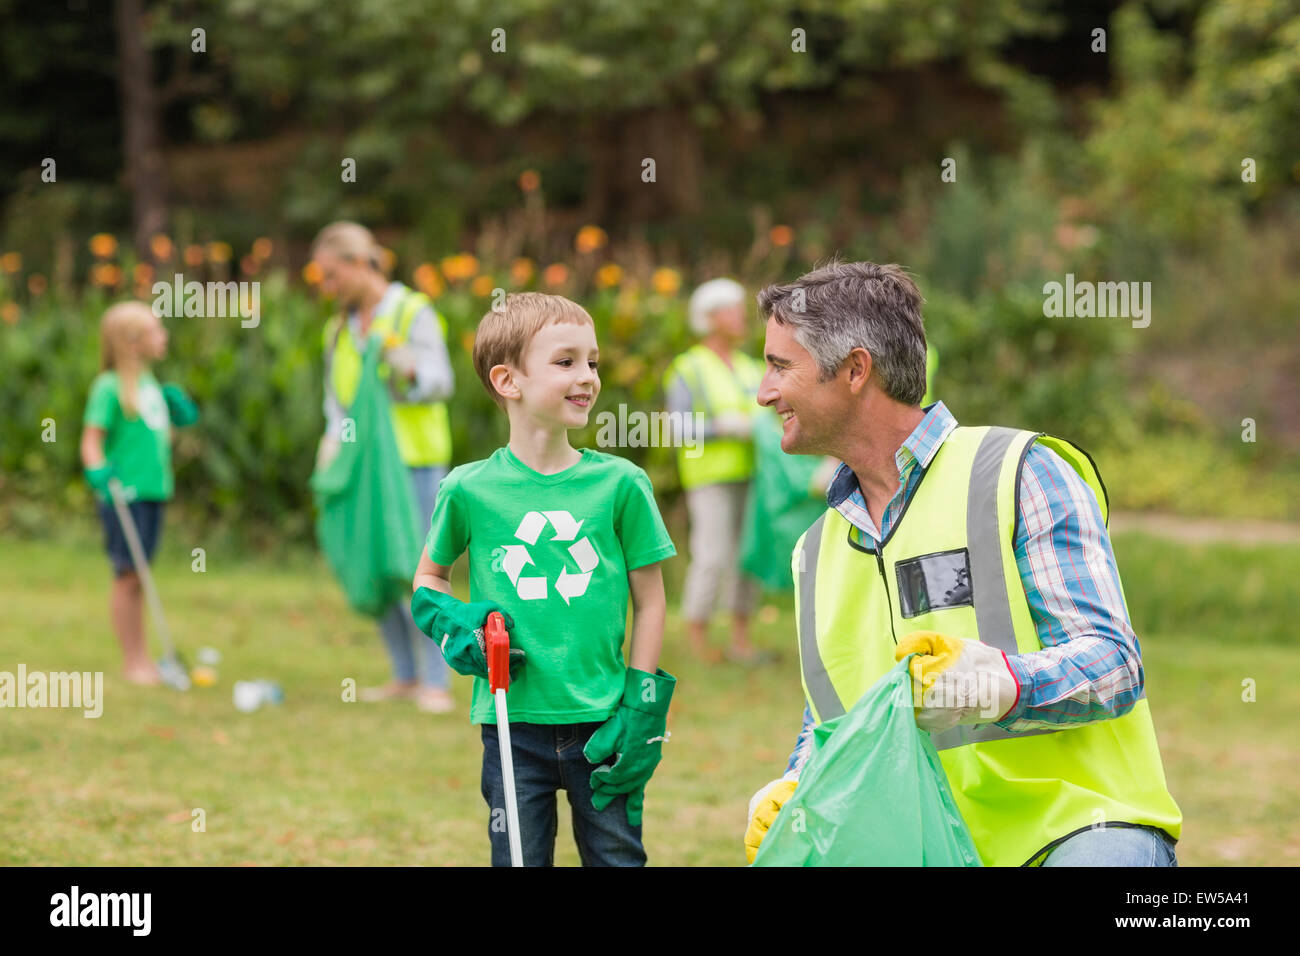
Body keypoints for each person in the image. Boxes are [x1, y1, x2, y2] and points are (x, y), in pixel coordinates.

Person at [743, 260, 1182, 867]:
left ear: (854, 370)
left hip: (1076, 829)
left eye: (778, 366)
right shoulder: (814, 552)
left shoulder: (1018, 472)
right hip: (920, 850)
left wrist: (1000, 685)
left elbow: (1114, 664)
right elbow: (833, 723)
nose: (762, 392)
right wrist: (795, 783)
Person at [410, 292, 677, 866]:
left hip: (605, 722)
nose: (587, 377)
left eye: (593, 362)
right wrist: (454, 621)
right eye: (566, 362)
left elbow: (651, 603)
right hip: (511, 726)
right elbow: (429, 579)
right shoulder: (468, 489)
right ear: (508, 381)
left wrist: (642, 704)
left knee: (617, 858)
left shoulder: (621, 485)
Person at [311, 222, 457, 713]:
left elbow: (442, 381)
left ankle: (436, 680)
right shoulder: (339, 329)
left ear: (358, 263)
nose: (328, 288)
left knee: (418, 568)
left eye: (333, 276)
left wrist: (407, 365)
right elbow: (337, 400)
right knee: (373, 563)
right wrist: (331, 442)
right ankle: (404, 674)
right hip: (362, 468)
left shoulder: (412, 311)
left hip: (413, 462)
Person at [80, 301, 199, 685]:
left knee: (140, 575)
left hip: (152, 491)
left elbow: (152, 436)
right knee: (127, 576)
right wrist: (97, 470)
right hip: (124, 494)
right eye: (155, 331)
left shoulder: (150, 385)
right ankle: (134, 661)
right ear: (132, 343)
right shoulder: (109, 387)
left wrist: (173, 411)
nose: (163, 337)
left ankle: (143, 656)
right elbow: (92, 440)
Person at [662, 278, 767, 663]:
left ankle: (740, 640)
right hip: (709, 477)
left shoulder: (750, 366)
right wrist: (723, 428)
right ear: (711, 317)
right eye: (734, 309)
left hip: (753, 473)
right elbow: (676, 427)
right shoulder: (688, 369)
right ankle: (697, 641)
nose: (742, 316)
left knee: (747, 556)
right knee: (712, 557)